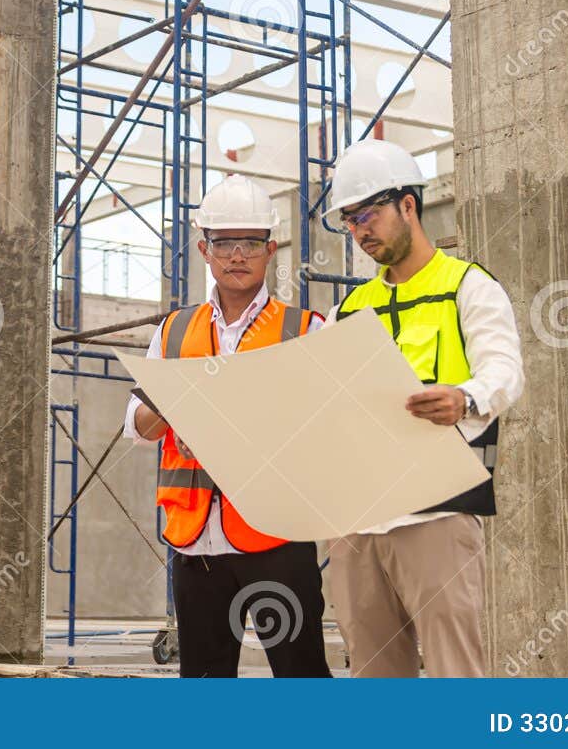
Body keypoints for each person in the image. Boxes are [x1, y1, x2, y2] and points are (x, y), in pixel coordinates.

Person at [323, 140, 524, 677]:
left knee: (454, 671)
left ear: (408, 205)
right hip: (359, 520)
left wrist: (464, 398)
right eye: (349, 220)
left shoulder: (468, 286)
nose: (360, 230)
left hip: (437, 511)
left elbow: (505, 372)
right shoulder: (348, 309)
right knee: (374, 674)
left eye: (368, 214)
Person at [124, 174, 331, 678]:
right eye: (225, 243)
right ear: (204, 248)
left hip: (276, 537)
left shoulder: (306, 329)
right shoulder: (173, 331)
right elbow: (136, 426)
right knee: (204, 678)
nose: (237, 255)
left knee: (301, 674)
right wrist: (176, 402)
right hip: (196, 544)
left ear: (270, 249)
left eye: (250, 244)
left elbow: (329, 428)